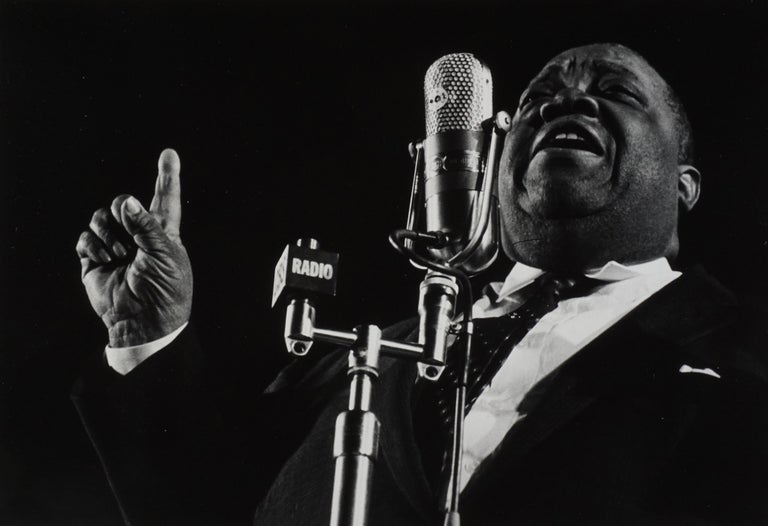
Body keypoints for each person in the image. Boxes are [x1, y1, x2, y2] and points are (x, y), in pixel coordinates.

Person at [73, 43, 768, 526]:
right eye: (537, 100)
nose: (567, 103)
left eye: (614, 92)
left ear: (684, 185)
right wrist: (148, 338)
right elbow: (206, 508)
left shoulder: (746, 355)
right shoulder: (366, 357)